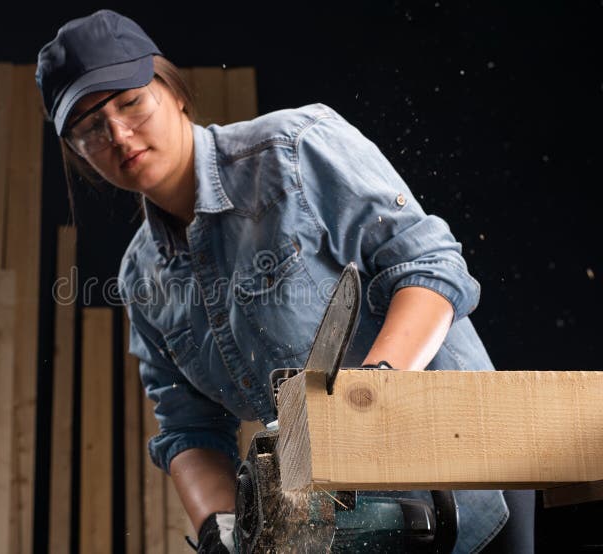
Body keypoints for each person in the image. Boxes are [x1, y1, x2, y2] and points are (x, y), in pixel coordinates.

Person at [35, 9, 534, 553]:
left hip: (466, 478)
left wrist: (372, 391)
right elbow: (188, 428)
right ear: (76, 151)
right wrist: (219, 529)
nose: (117, 133)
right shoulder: (142, 277)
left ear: (172, 91)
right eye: (88, 128)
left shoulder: (293, 149)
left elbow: (429, 267)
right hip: (349, 525)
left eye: (131, 102)